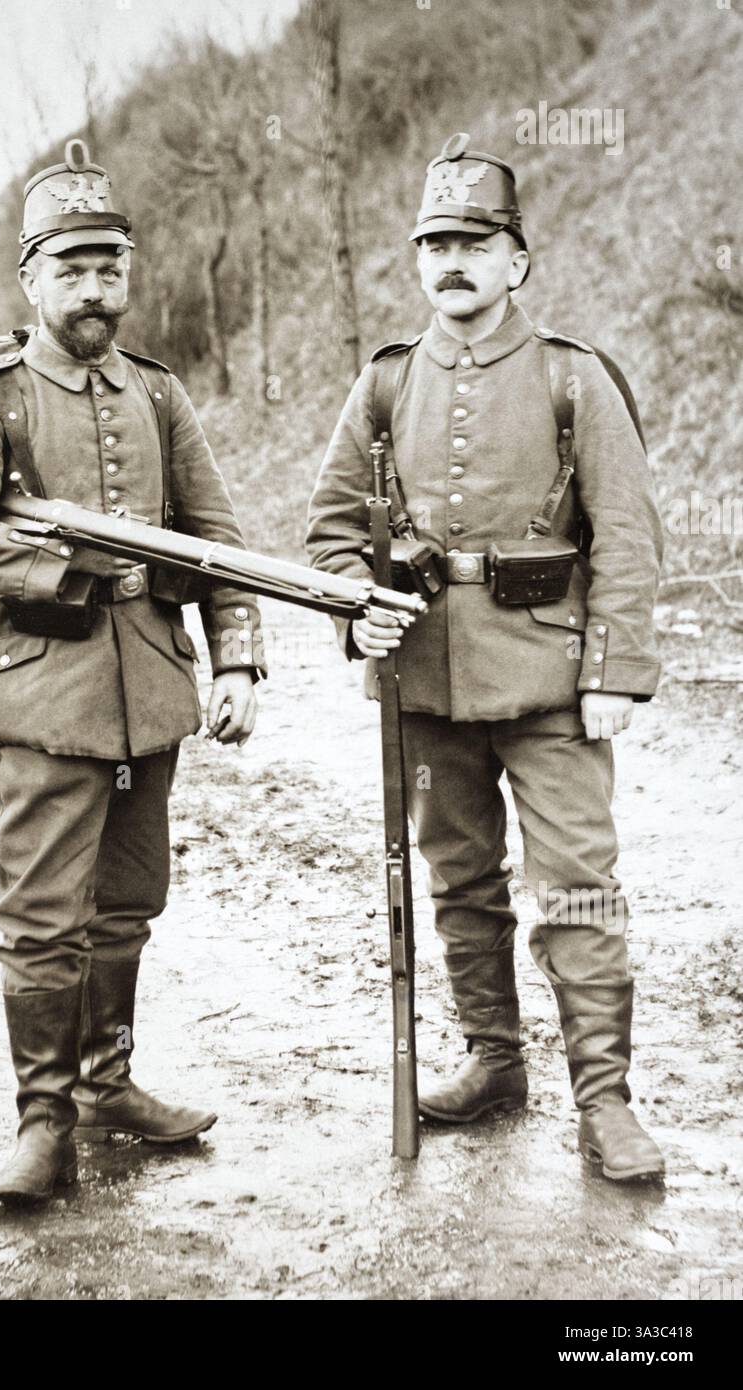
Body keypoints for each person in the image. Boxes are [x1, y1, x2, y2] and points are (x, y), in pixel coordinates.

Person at [0, 140, 266, 1204]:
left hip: (150, 693)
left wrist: (237, 657)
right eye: (71, 269)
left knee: (127, 905)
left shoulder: (159, 396)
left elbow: (217, 540)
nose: (94, 289)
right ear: (31, 279)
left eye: (109, 267)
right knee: (41, 918)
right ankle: (43, 1119)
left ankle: (108, 1084)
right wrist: (60, 570)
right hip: (38, 695)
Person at [306, 132, 665, 1181]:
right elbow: (328, 528)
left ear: (517, 258)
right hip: (424, 682)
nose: (451, 260)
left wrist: (613, 668)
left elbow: (628, 533)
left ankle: (604, 1102)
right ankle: (491, 1062)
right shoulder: (382, 384)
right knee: (458, 879)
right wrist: (352, 609)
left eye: (475, 240)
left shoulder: (572, 378)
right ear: (417, 262)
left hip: (553, 680)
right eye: (434, 243)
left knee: (577, 888)